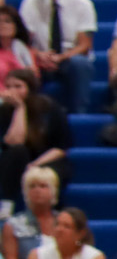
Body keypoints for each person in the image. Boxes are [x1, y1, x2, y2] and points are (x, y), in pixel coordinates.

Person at [19, 0, 95, 113]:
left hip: (69, 58)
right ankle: (29, 114)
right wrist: (39, 55)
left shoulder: (82, 3)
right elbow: (24, 41)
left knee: (80, 64)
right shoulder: (29, 3)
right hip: (41, 59)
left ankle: (79, 114)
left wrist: (61, 57)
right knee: (24, 65)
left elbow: (85, 45)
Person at [0, 69, 70, 207]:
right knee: (16, 152)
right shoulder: (4, 110)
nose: (12, 91)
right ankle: (7, 204)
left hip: (47, 158)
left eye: (18, 86)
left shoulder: (50, 108)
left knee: (50, 171)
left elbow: (61, 148)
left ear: (30, 87)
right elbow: (13, 142)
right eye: (8, 87)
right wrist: (19, 109)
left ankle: (52, 210)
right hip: (16, 160)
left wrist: (35, 164)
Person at [0, 7, 32, 87]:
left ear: (16, 26)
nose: (2, 25)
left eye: (7, 21)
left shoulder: (23, 48)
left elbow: (33, 78)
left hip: (21, 94)